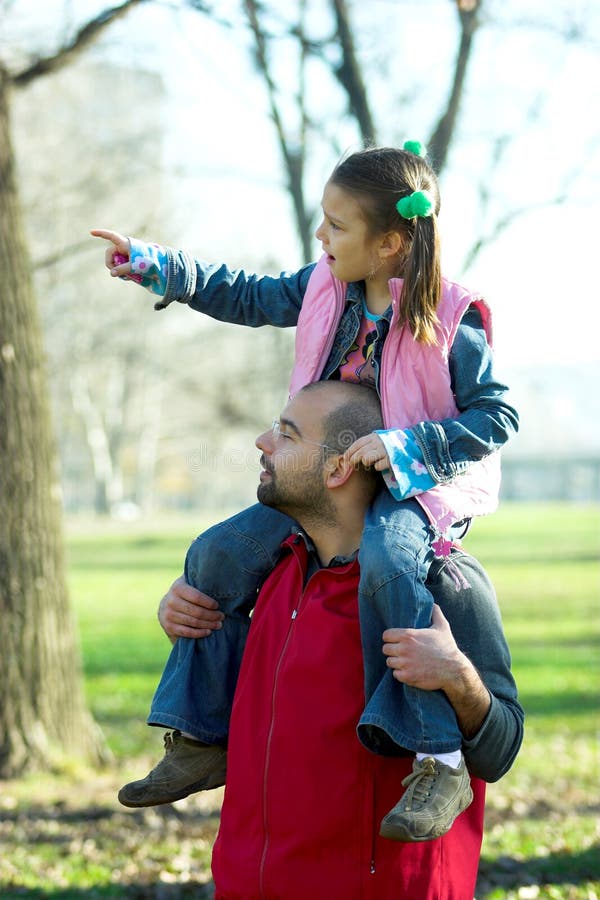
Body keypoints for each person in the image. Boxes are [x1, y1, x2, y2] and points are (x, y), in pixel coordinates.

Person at [91, 142, 519, 841]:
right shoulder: (325, 282)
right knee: (217, 556)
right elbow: (247, 294)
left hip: (412, 490)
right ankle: (202, 737)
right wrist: (158, 265)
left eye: (337, 225)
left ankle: (436, 758)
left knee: (388, 562)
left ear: (389, 242)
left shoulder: (450, 315)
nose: (321, 236)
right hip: (326, 479)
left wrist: (408, 446)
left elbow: (498, 416)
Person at [175, 381, 524, 898]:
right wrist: (185, 613)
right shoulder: (270, 577)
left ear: (339, 468)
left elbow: (501, 748)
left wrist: (455, 675)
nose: (262, 443)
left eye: (287, 436)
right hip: (249, 884)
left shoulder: (444, 583)